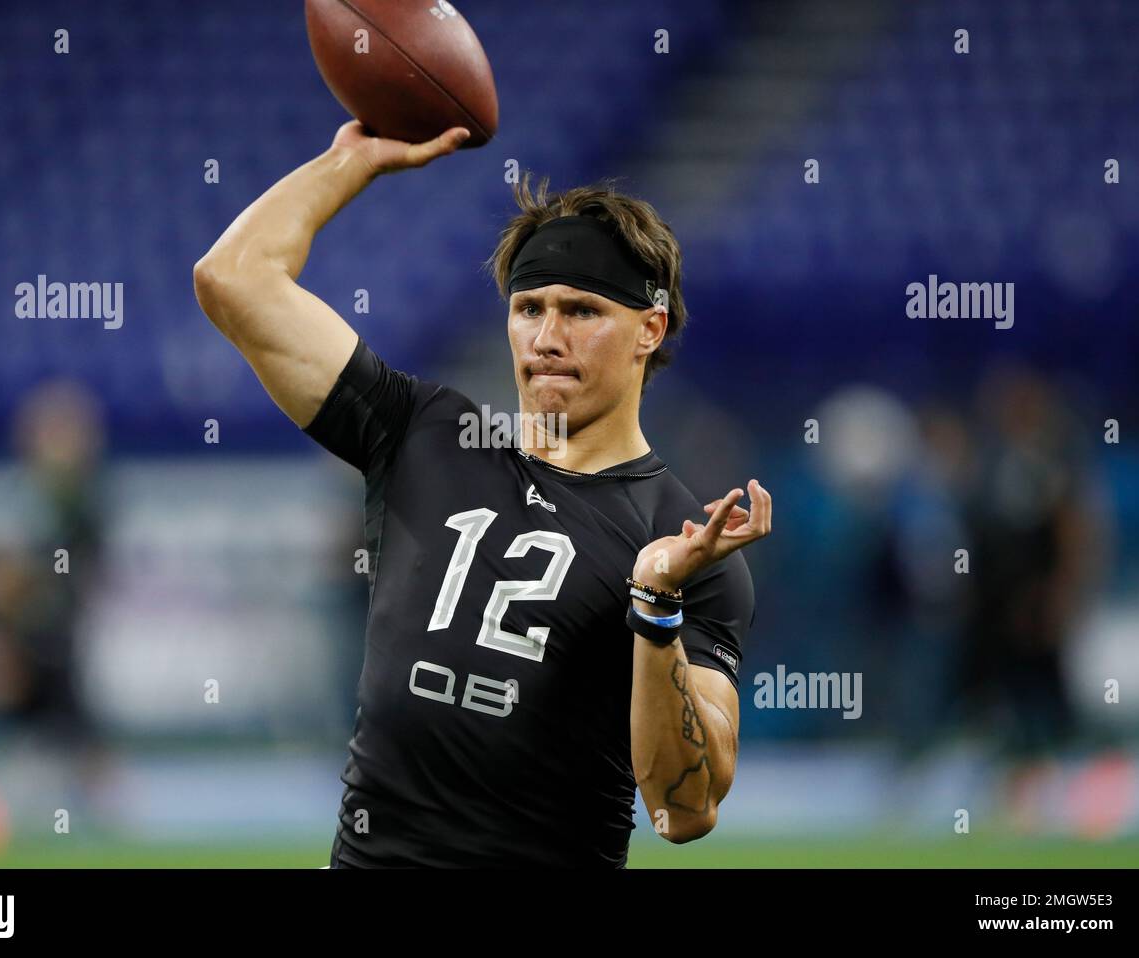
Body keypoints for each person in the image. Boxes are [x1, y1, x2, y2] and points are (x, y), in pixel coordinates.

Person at [192, 121, 771, 867]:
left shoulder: (683, 544)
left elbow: (685, 808)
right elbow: (232, 279)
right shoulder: (424, 436)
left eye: (581, 311)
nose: (546, 338)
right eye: (529, 309)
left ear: (648, 329)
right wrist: (349, 161)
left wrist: (655, 605)